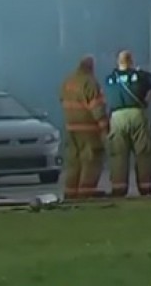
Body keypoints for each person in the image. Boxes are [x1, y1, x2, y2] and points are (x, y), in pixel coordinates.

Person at [104, 50, 151, 197]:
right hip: (137, 114)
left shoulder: (110, 78)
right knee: (143, 152)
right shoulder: (141, 75)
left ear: (118, 62)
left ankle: (119, 188)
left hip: (117, 117)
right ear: (131, 61)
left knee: (118, 154)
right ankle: (145, 188)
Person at [59, 55, 109, 199]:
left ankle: (70, 191)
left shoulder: (68, 81)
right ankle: (86, 191)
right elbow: (97, 108)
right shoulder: (90, 82)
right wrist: (104, 127)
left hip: (71, 127)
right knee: (91, 159)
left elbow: (62, 99)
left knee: (74, 160)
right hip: (88, 129)